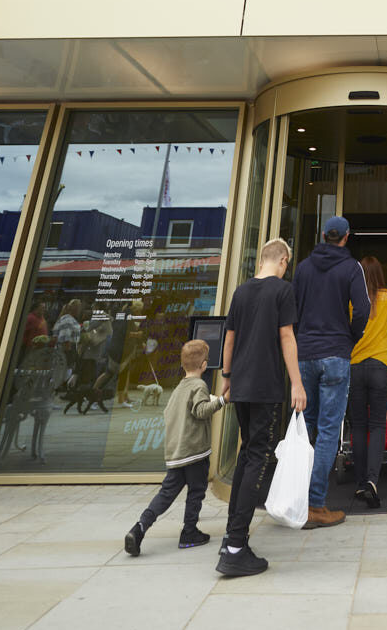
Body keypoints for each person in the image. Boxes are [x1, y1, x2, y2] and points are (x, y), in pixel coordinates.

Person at [217, 237, 305, 577]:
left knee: (246, 453)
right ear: (282, 260)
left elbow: (230, 338)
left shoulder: (241, 292)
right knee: (258, 458)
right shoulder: (283, 291)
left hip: (239, 384)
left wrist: (226, 377)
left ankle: (230, 537)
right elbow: (287, 337)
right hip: (266, 386)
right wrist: (297, 383)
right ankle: (236, 547)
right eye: (287, 262)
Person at [293, 215, 370, 528]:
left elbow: (292, 308)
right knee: (327, 431)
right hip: (336, 354)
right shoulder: (352, 268)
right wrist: (350, 337)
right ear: (346, 236)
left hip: (304, 353)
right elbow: (363, 308)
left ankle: (296, 500)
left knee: (303, 428)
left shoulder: (302, 267)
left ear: (323, 235)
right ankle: (315, 505)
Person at [124, 339, 225, 557]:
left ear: (183, 364)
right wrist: (221, 401)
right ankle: (189, 532)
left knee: (166, 493)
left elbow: (172, 414)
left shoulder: (179, 388)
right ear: (204, 365)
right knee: (196, 492)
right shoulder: (199, 385)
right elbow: (200, 410)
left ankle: (140, 527)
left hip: (176, 453)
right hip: (195, 452)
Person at [349, 256, 387, 508]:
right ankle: (372, 480)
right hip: (381, 365)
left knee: (358, 424)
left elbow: (347, 328)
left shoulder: (352, 298)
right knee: (378, 424)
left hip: (355, 366)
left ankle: (360, 482)